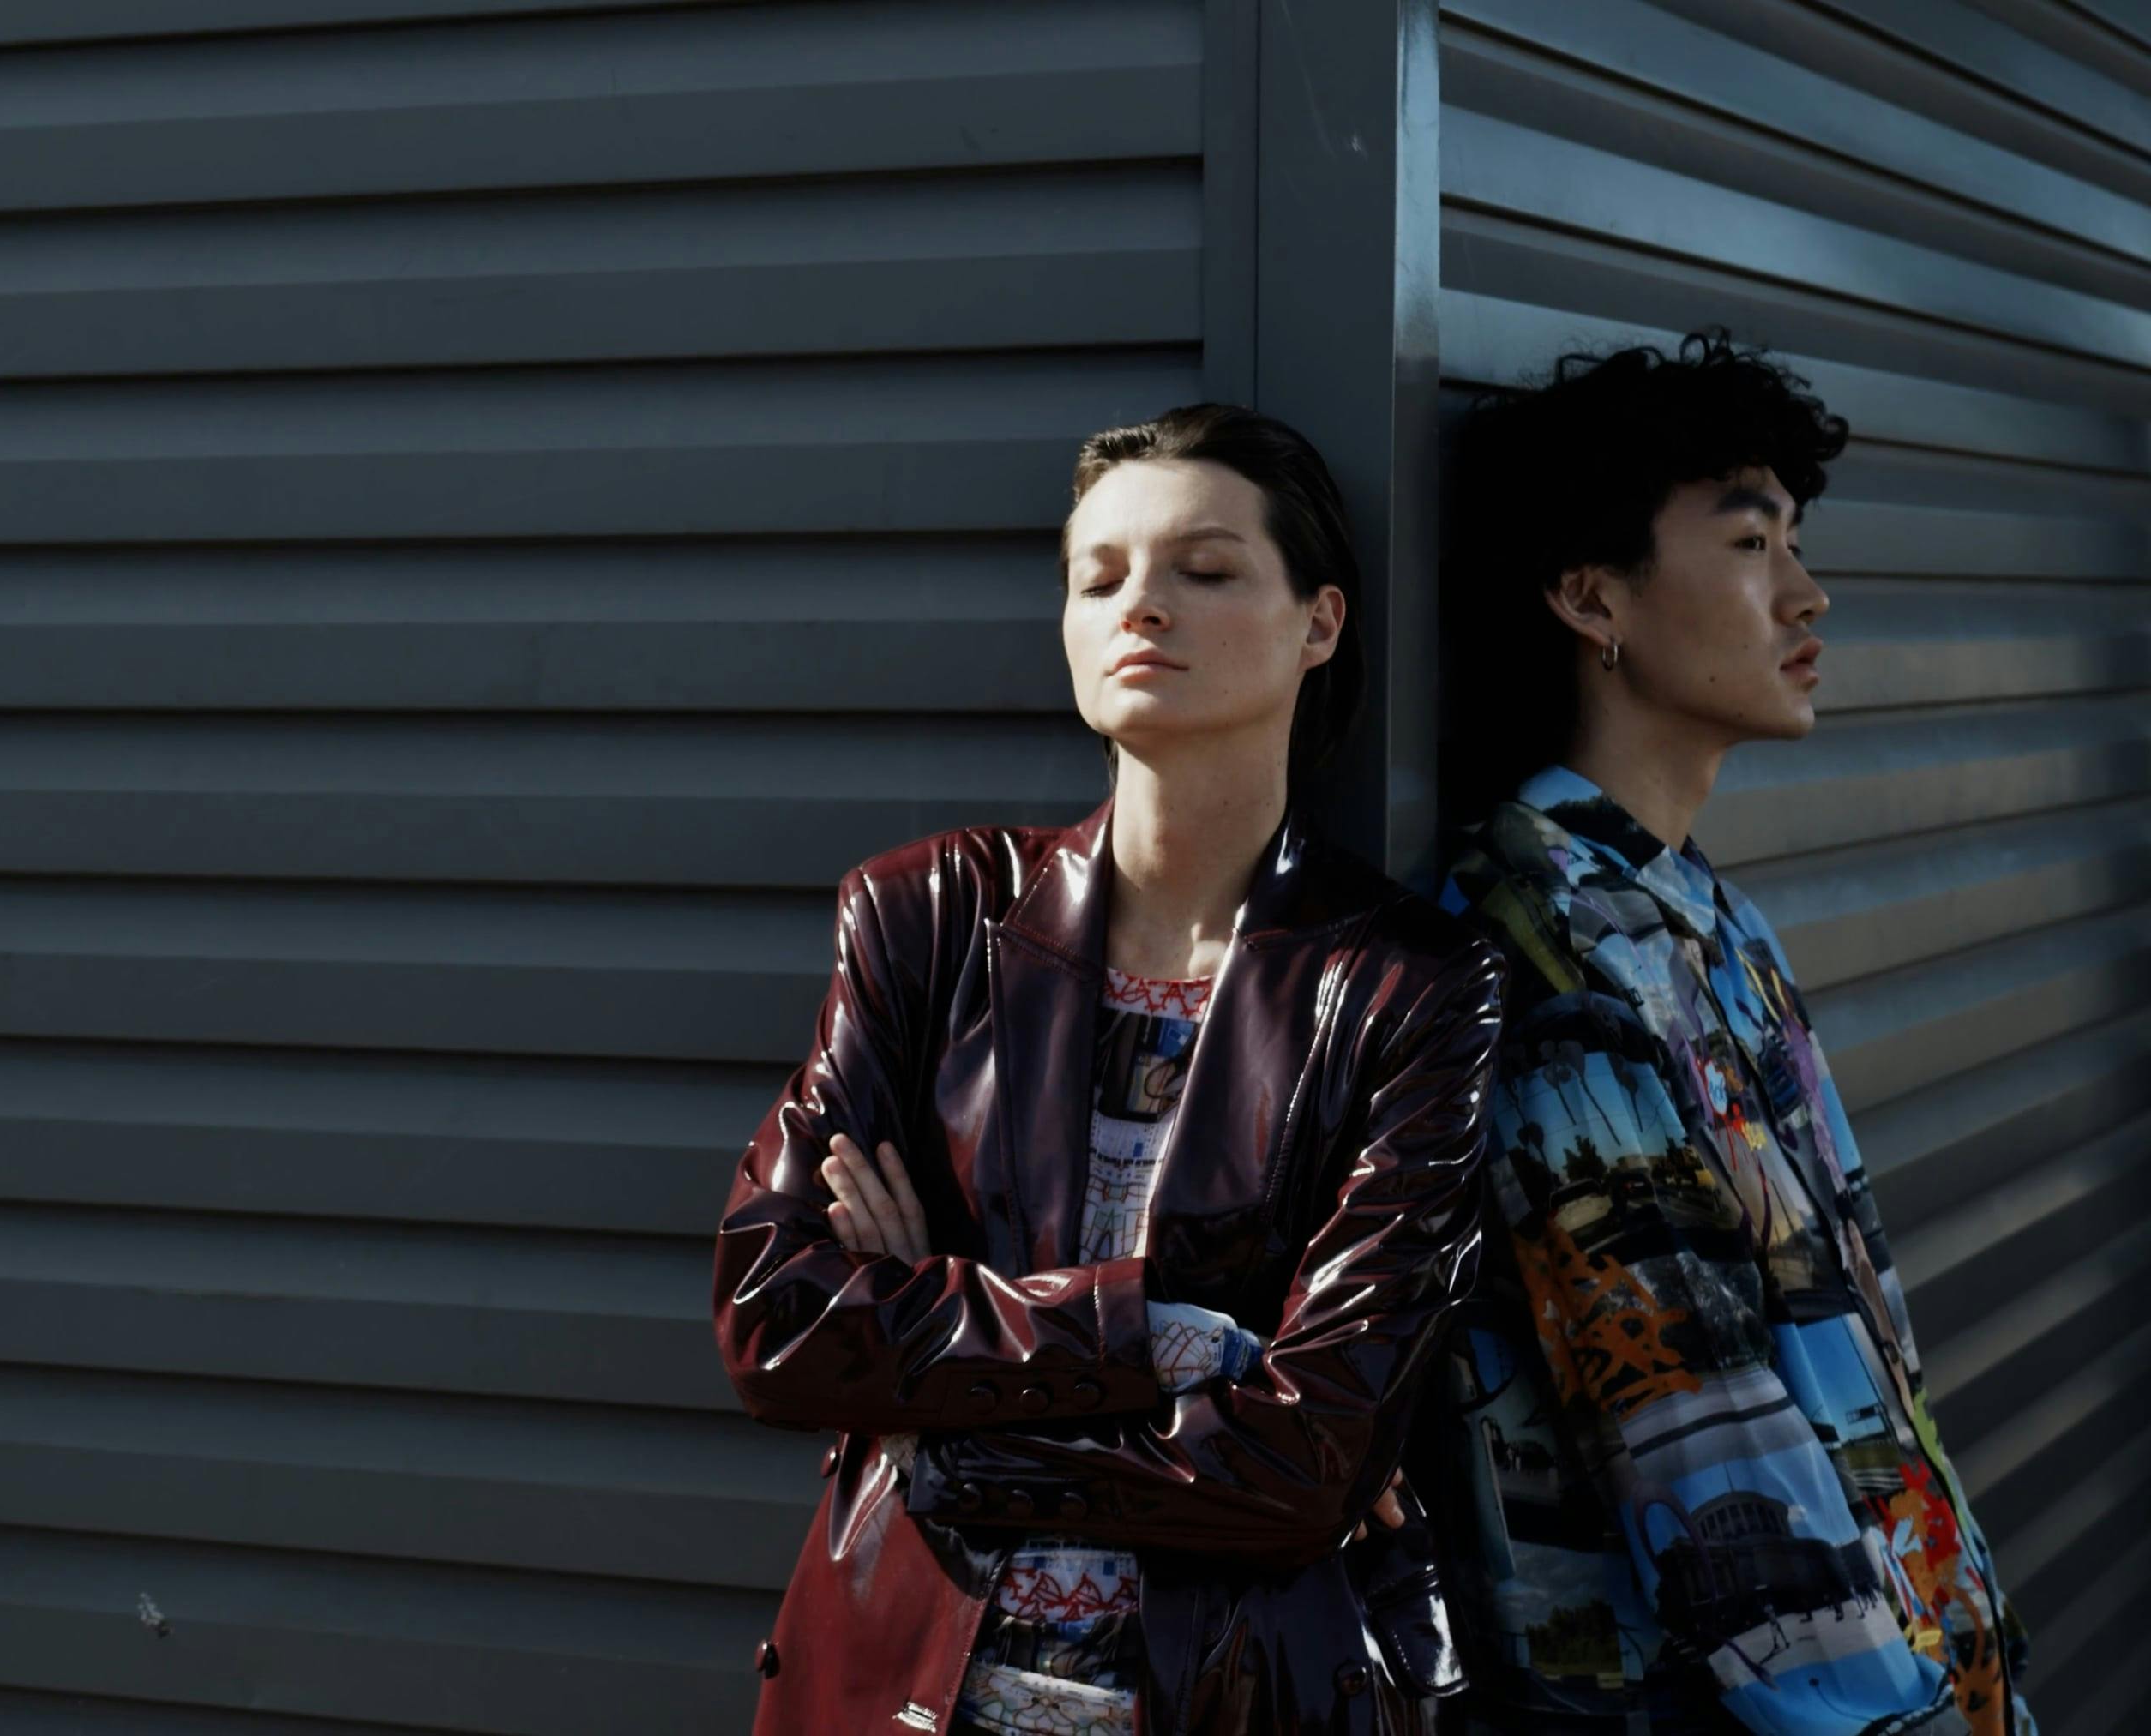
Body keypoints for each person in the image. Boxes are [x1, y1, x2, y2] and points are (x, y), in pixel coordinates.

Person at [712, 402, 1507, 1736]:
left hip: (1239, 1699)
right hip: (909, 1690)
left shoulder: (1409, 983)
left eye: (1204, 571)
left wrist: (937, 1410)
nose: (1143, 606)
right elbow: (782, 1320)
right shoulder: (925, 919)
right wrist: (1161, 1336)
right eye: (1102, 576)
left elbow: (1311, 1460)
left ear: (1320, 622)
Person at [1421, 331, 2034, 1735]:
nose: (1806, 594)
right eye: (1753, 544)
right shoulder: (1540, 940)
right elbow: (1688, 1443)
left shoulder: (1701, 913)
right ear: (1592, 598)